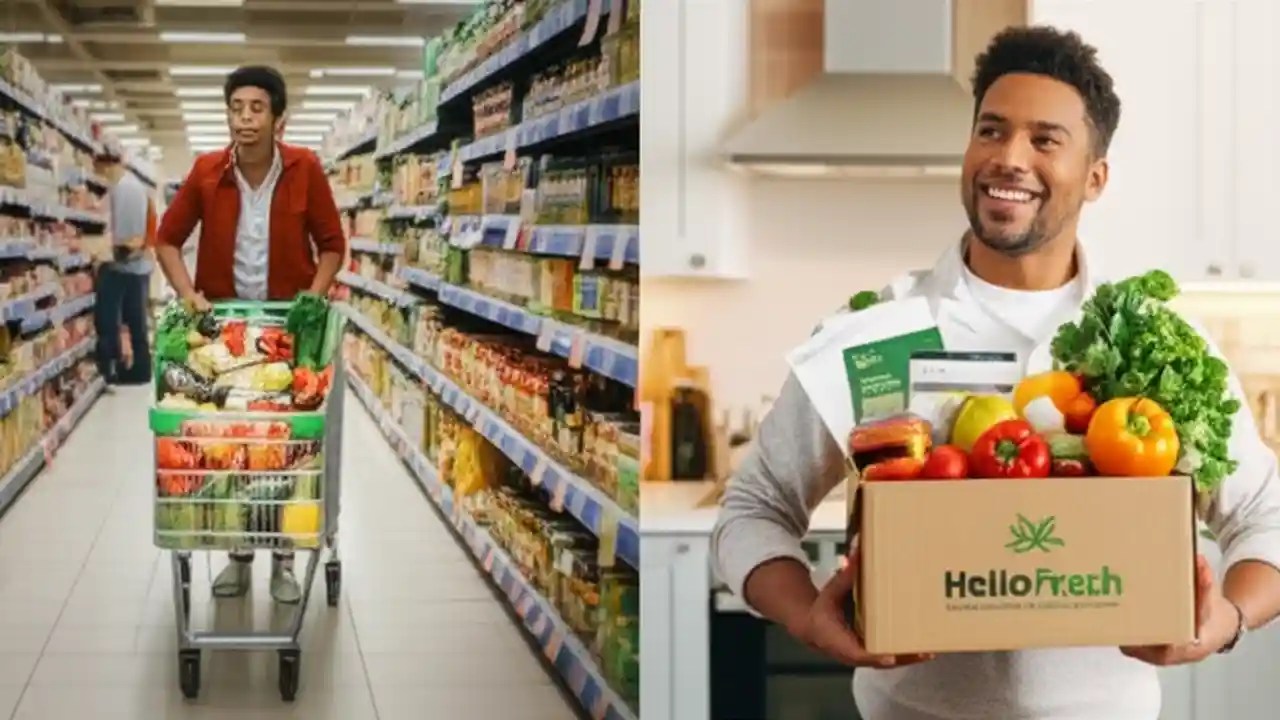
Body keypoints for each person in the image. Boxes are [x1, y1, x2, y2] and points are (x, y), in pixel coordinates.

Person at [711, 25, 1280, 720]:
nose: (1009, 158)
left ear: (1095, 177)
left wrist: (1228, 621)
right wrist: (806, 615)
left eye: (1045, 140)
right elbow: (753, 509)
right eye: (991, 130)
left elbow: (1266, 515)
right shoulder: (877, 332)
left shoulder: (1154, 343)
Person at [154, 65, 346, 605]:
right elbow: (166, 240)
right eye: (236, 108)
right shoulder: (207, 172)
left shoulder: (305, 169)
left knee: (286, 445)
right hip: (226, 337)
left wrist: (314, 296)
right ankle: (238, 553)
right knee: (233, 441)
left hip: (287, 334)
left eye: (257, 108)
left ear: (278, 118)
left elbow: (333, 245)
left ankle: (284, 557)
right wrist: (188, 294)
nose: (245, 118)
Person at [93, 144, 154, 387]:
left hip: (126, 267)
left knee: (111, 320)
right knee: (135, 320)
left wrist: (102, 256)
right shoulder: (126, 186)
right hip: (133, 267)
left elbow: (131, 240)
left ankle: (123, 370)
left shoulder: (126, 188)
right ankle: (138, 371)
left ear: (106, 163)